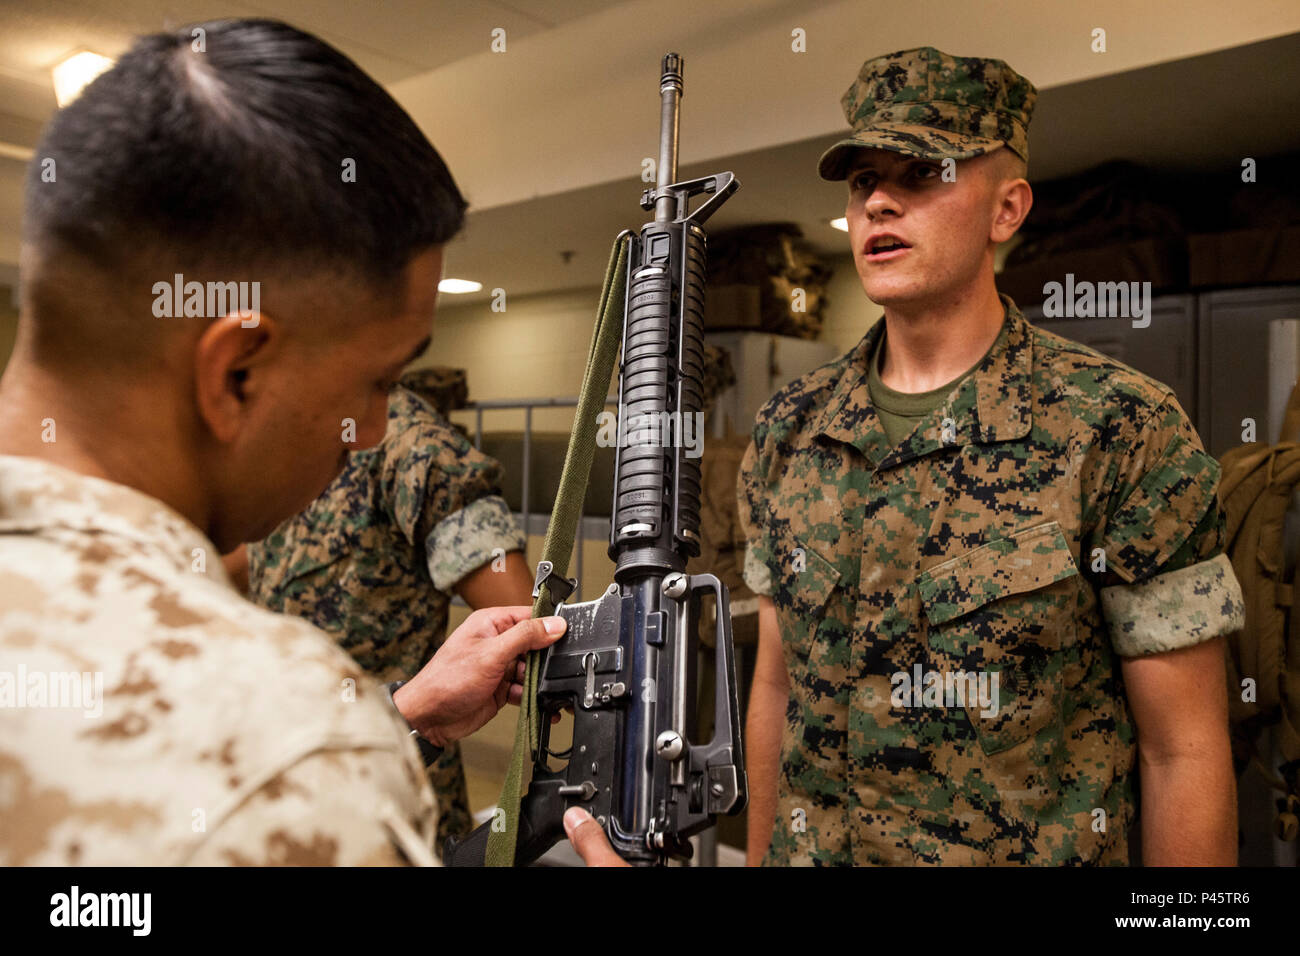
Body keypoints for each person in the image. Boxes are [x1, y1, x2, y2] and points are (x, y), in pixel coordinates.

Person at [0, 18, 612, 866]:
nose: (367, 431)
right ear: (235, 375)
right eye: (373, 381)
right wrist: (333, 746)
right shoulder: (298, 758)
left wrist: (397, 714)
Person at [739, 46, 1246, 866]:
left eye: (920, 173)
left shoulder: (1118, 426)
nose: (878, 202)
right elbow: (775, 689)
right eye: (864, 178)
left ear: (1007, 209)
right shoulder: (788, 429)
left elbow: (1181, 750)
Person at [229, 369, 535, 850]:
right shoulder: (284, 442)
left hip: (394, 790)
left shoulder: (415, 449)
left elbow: (524, 622)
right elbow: (251, 560)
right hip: (290, 774)